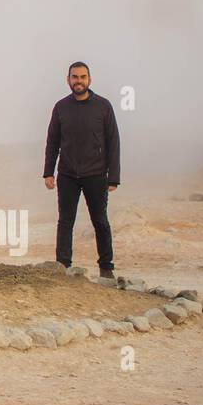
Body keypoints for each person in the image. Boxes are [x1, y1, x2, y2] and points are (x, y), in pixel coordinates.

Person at [42, 61, 119, 277]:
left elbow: (113, 142)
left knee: (100, 221)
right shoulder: (61, 107)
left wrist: (113, 177)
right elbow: (53, 141)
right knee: (65, 221)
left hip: (96, 174)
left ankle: (106, 268)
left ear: (89, 80)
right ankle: (62, 266)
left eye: (82, 77)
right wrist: (49, 172)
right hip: (67, 174)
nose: (78, 81)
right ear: (68, 80)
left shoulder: (103, 106)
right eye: (74, 77)